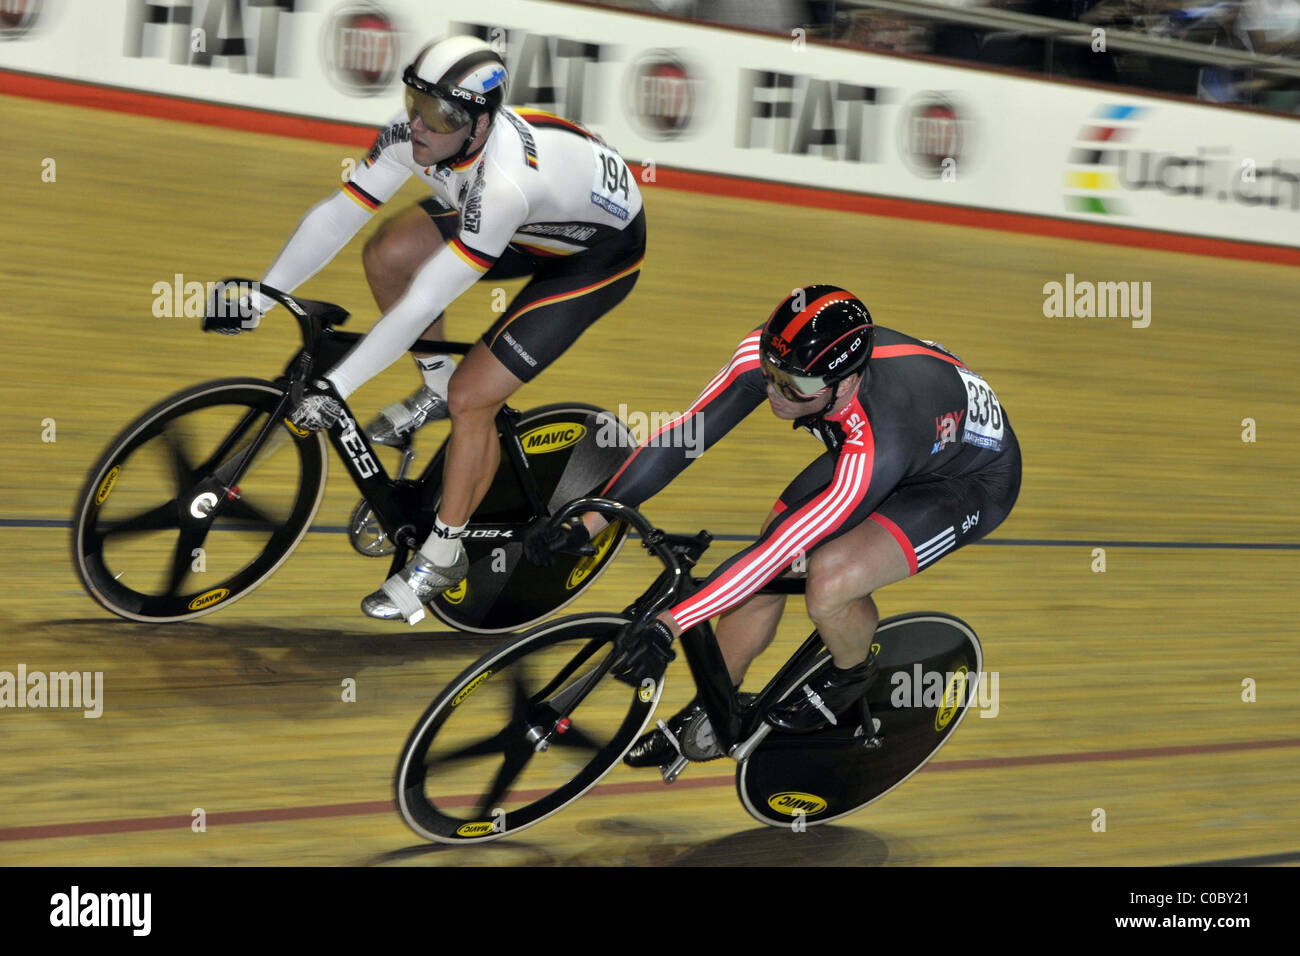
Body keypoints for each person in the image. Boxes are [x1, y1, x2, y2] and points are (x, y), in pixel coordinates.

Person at [215, 35, 646, 623]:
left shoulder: (502, 187)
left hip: (595, 258)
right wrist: (263, 294)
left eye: (439, 115)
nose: (418, 124)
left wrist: (339, 387)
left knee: (474, 398)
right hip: (536, 221)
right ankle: (435, 384)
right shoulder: (420, 134)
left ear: (478, 124)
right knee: (388, 254)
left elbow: (424, 302)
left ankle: (444, 554)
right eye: (416, 102)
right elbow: (341, 213)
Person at [527, 285, 1021, 765]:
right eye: (770, 373)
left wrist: (667, 626)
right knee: (768, 566)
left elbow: (781, 550)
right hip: (894, 437)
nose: (773, 392)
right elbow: (683, 439)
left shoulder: (882, 437)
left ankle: (852, 674)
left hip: (966, 482)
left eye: (794, 387)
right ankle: (711, 712)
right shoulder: (777, 358)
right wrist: (589, 521)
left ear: (846, 381)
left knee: (827, 580)